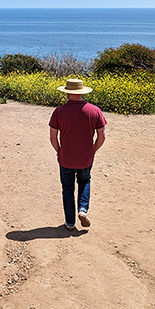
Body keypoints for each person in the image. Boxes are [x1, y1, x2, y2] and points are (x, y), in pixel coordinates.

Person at [48, 79, 107, 231]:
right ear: (81, 92)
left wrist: (59, 151)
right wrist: (93, 150)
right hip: (85, 158)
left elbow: (52, 137)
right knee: (85, 181)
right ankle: (82, 209)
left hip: (66, 158)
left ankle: (69, 223)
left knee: (67, 188)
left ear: (67, 92)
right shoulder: (95, 111)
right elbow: (102, 136)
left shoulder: (59, 112)